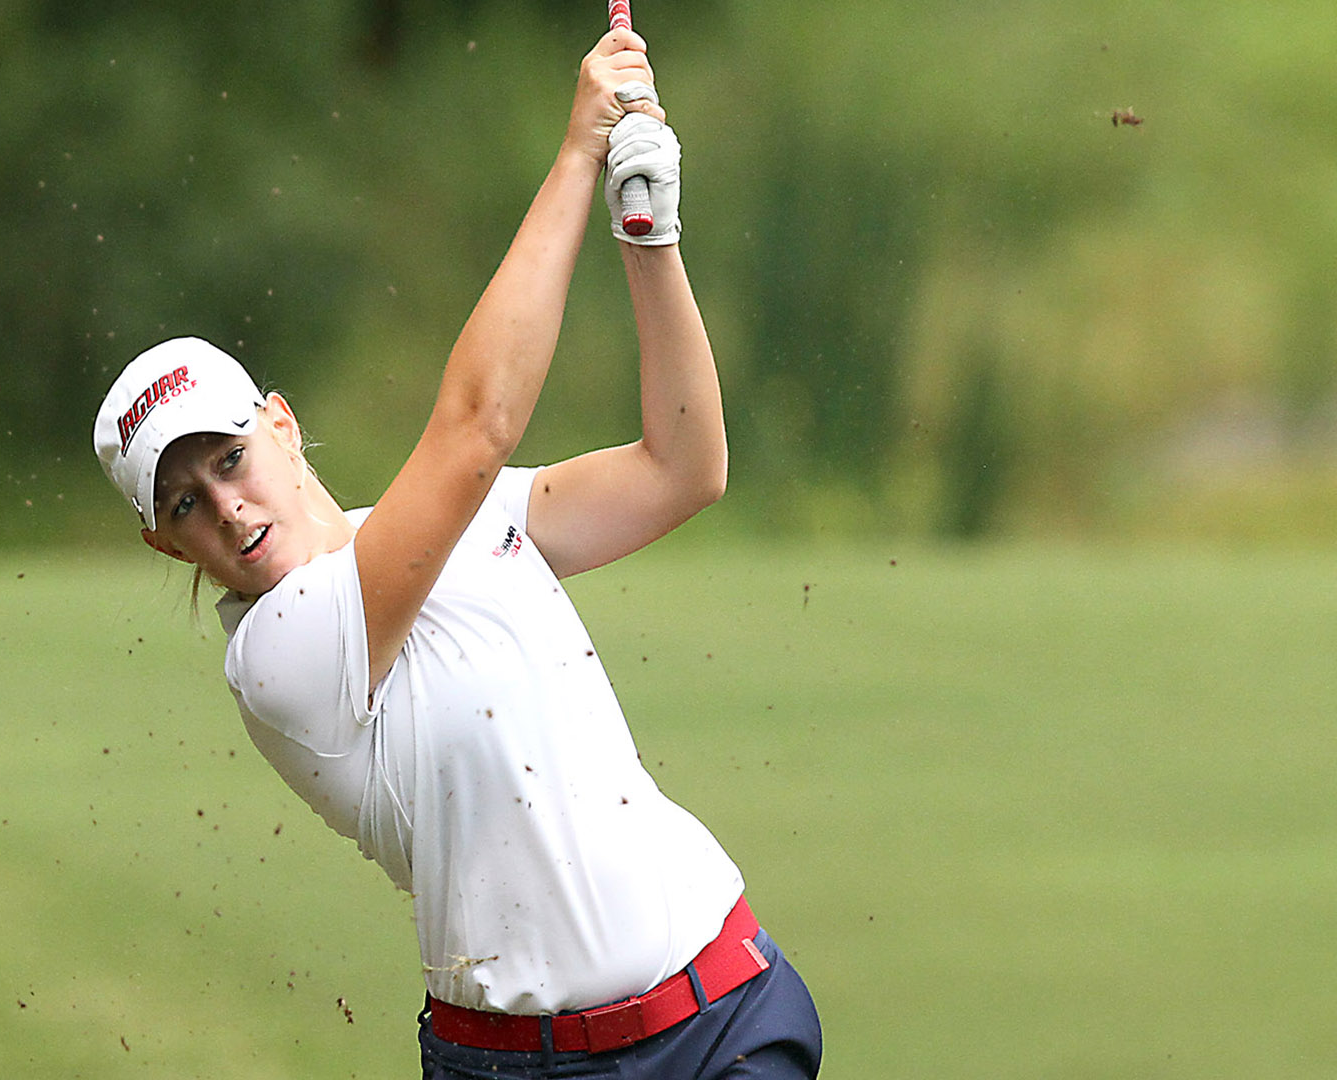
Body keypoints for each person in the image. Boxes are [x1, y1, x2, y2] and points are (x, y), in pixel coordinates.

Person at [91, 28, 822, 1080]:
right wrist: (576, 159)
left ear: (283, 425)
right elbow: (477, 423)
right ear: (166, 542)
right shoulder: (282, 659)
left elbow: (681, 468)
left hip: (723, 1013)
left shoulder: (474, 521)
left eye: (231, 458)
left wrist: (649, 243)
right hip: (520, 1066)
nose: (229, 507)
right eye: (188, 503)